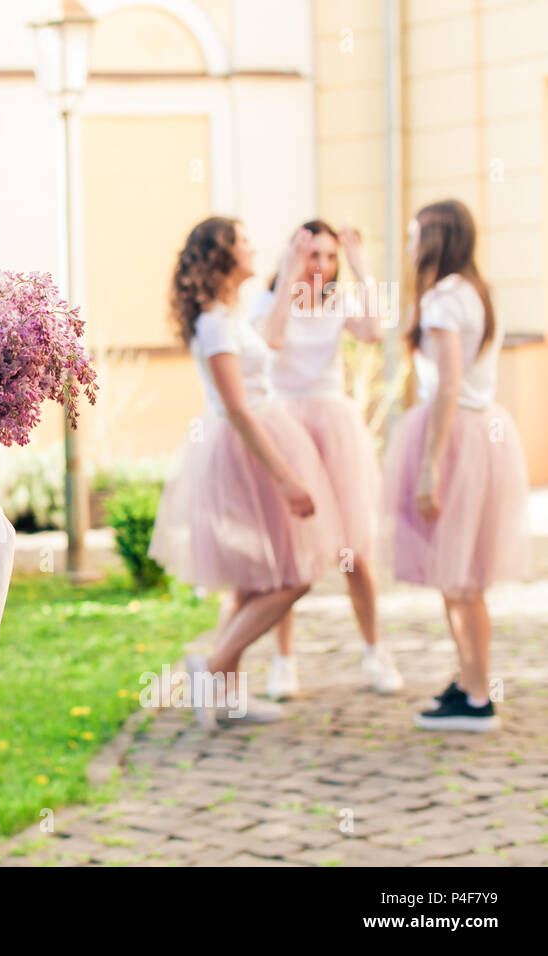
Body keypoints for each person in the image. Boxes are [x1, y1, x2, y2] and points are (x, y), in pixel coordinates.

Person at [149, 217, 343, 728]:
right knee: (293, 577)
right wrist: (284, 477)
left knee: (254, 581)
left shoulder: (229, 313)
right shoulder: (214, 321)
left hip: (260, 437)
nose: (252, 246)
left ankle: (228, 696)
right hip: (245, 449)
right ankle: (211, 671)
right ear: (222, 256)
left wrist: (290, 269)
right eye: (243, 242)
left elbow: (271, 343)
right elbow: (236, 406)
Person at [382, 198, 532, 732]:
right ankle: (471, 681)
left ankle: (475, 697)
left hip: (455, 438)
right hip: (482, 431)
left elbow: (447, 384)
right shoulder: (475, 292)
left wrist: (429, 466)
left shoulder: (445, 298)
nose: (407, 245)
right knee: (463, 574)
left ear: (435, 239)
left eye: (413, 234)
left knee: (459, 577)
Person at [248, 220, 402, 698]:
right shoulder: (268, 300)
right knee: (288, 553)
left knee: (354, 552)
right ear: (295, 255)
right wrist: (290, 279)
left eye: (329, 257)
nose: (322, 265)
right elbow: (270, 340)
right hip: (286, 425)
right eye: (313, 254)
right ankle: (284, 661)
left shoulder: (339, 299)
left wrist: (362, 269)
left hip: (334, 425)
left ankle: (376, 652)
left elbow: (375, 332)